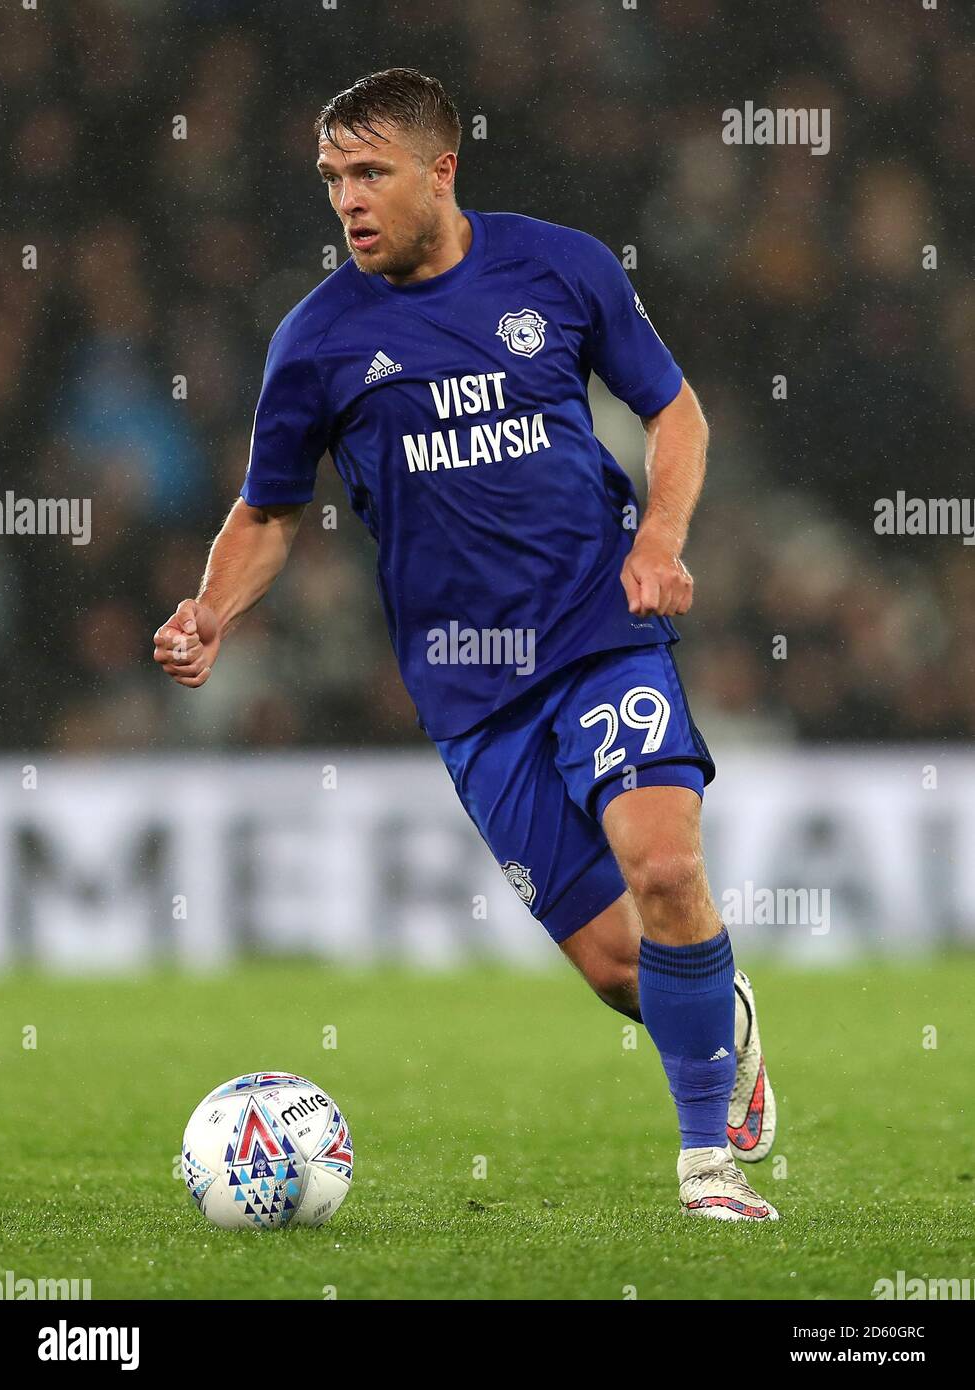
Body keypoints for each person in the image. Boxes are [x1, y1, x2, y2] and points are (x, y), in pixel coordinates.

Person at [153, 67, 778, 1221]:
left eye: (371, 172)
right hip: (470, 691)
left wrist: (663, 539)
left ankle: (707, 1168)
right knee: (618, 965)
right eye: (333, 177)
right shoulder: (316, 342)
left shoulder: (563, 266)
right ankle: (718, 1012)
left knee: (667, 864)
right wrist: (210, 610)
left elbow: (675, 412)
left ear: (443, 169)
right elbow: (270, 508)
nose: (348, 199)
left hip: (600, 629)